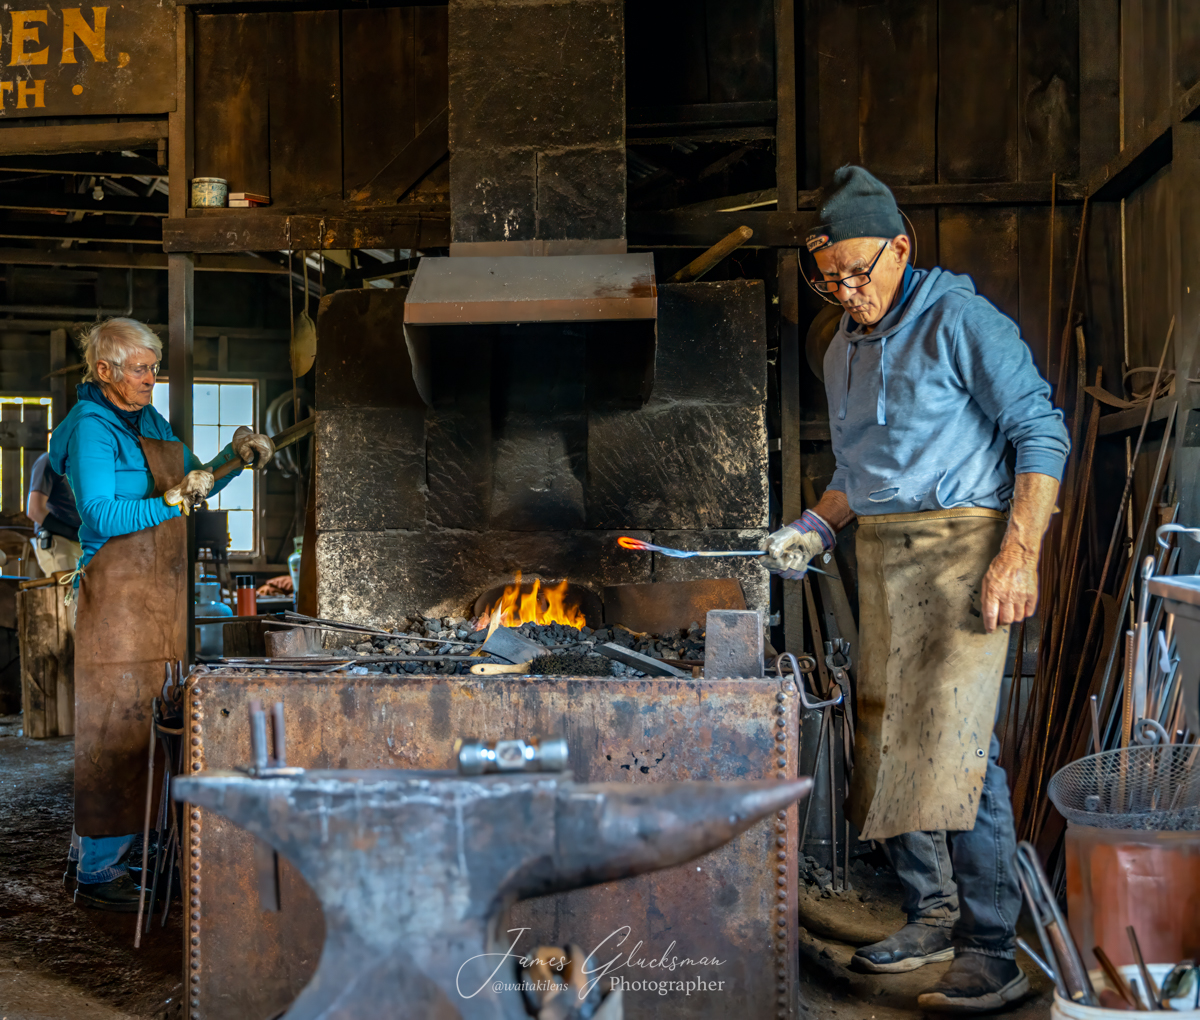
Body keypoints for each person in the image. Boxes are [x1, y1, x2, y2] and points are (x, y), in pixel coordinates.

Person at [761, 167, 1069, 1012]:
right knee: (887, 740)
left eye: (858, 272)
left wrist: (1019, 555)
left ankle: (991, 949)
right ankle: (930, 915)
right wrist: (813, 526)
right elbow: (857, 476)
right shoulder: (840, 348)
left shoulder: (962, 320)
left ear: (902, 247)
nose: (845, 291)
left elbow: (1041, 432)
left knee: (960, 747)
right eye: (830, 279)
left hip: (965, 549)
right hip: (885, 556)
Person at [49, 317, 274, 911]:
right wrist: (170, 500)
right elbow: (100, 514)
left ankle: (121, 851)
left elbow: (195, 484)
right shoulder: (91, 427)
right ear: (105, 370)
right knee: (114, 726)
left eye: (154, 367)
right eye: (140, 369)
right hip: (116, 594)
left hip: (158, 594)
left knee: (152, 723)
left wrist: (234, 457)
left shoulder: (148, 420)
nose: (152, 377)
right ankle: (98, 870)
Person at [26, 450, 83, 576]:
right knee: (68, 586)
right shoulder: (50, 461)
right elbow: (35, 511)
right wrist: (73, 533)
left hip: (84, 542)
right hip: (58, 540)